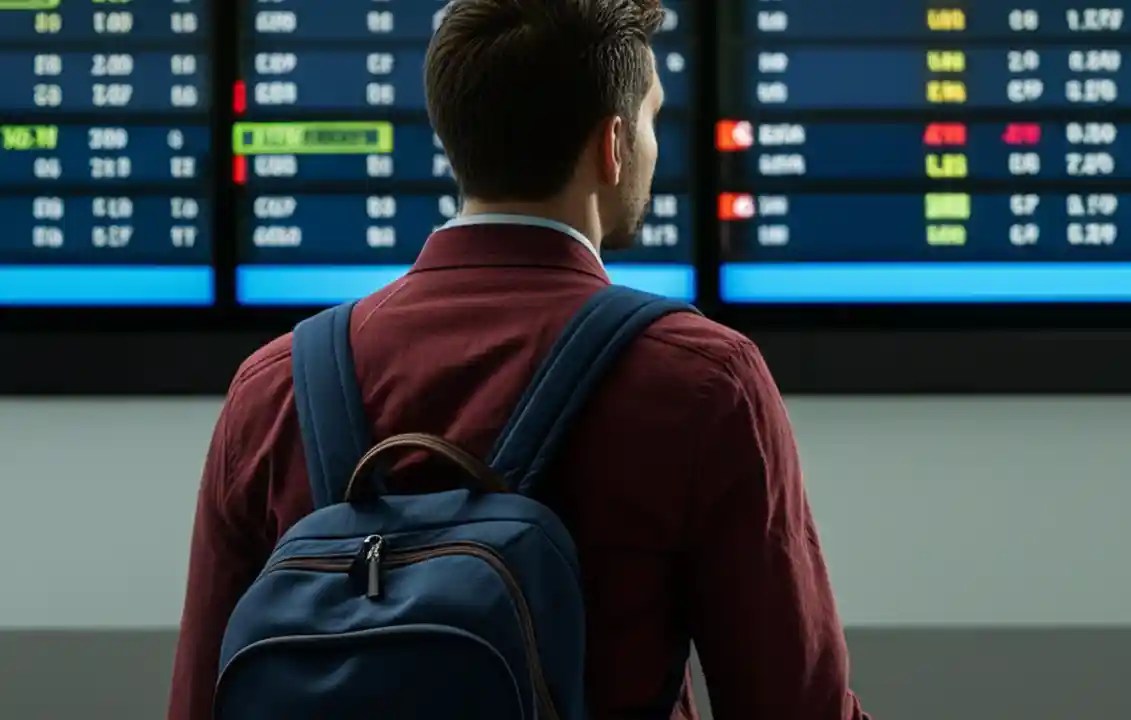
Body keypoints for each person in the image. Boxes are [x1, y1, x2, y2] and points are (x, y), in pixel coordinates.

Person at [167, 1, 868, 718]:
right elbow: (794, 703)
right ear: (614, 145)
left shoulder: (274, 385)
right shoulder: (701, 381)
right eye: (655, 119)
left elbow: (198, 702)